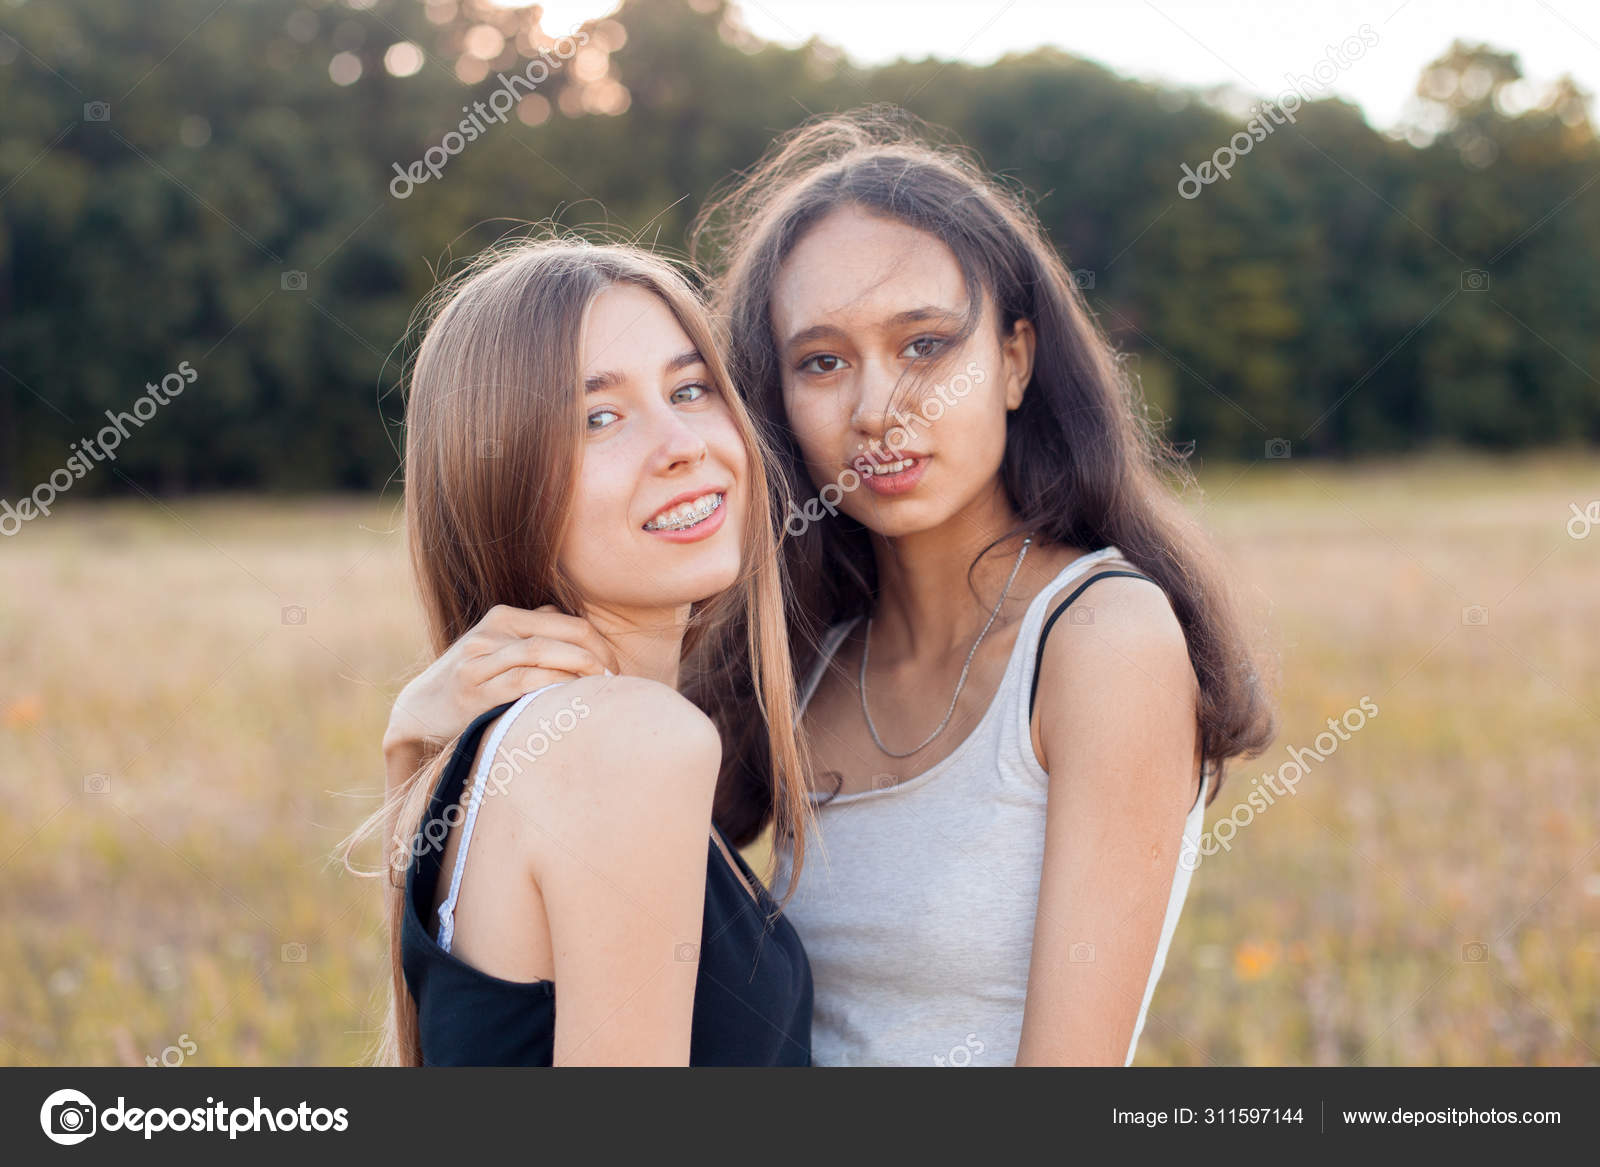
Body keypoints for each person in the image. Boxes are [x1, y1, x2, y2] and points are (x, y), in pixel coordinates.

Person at [385, 108, 1277, 1066]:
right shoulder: (791, 663)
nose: (877, 409)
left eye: (925, 345)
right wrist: (412, 762)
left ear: (1014, 359)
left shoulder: (1105, 637)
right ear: (774, 397)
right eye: (822, 361)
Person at [344, 238, 813, 1066]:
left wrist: (408, 763)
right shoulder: (625, 742)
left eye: (690, 388)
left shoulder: (534, 747)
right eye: (599, 416)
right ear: (501, 480)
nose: (682, 443)